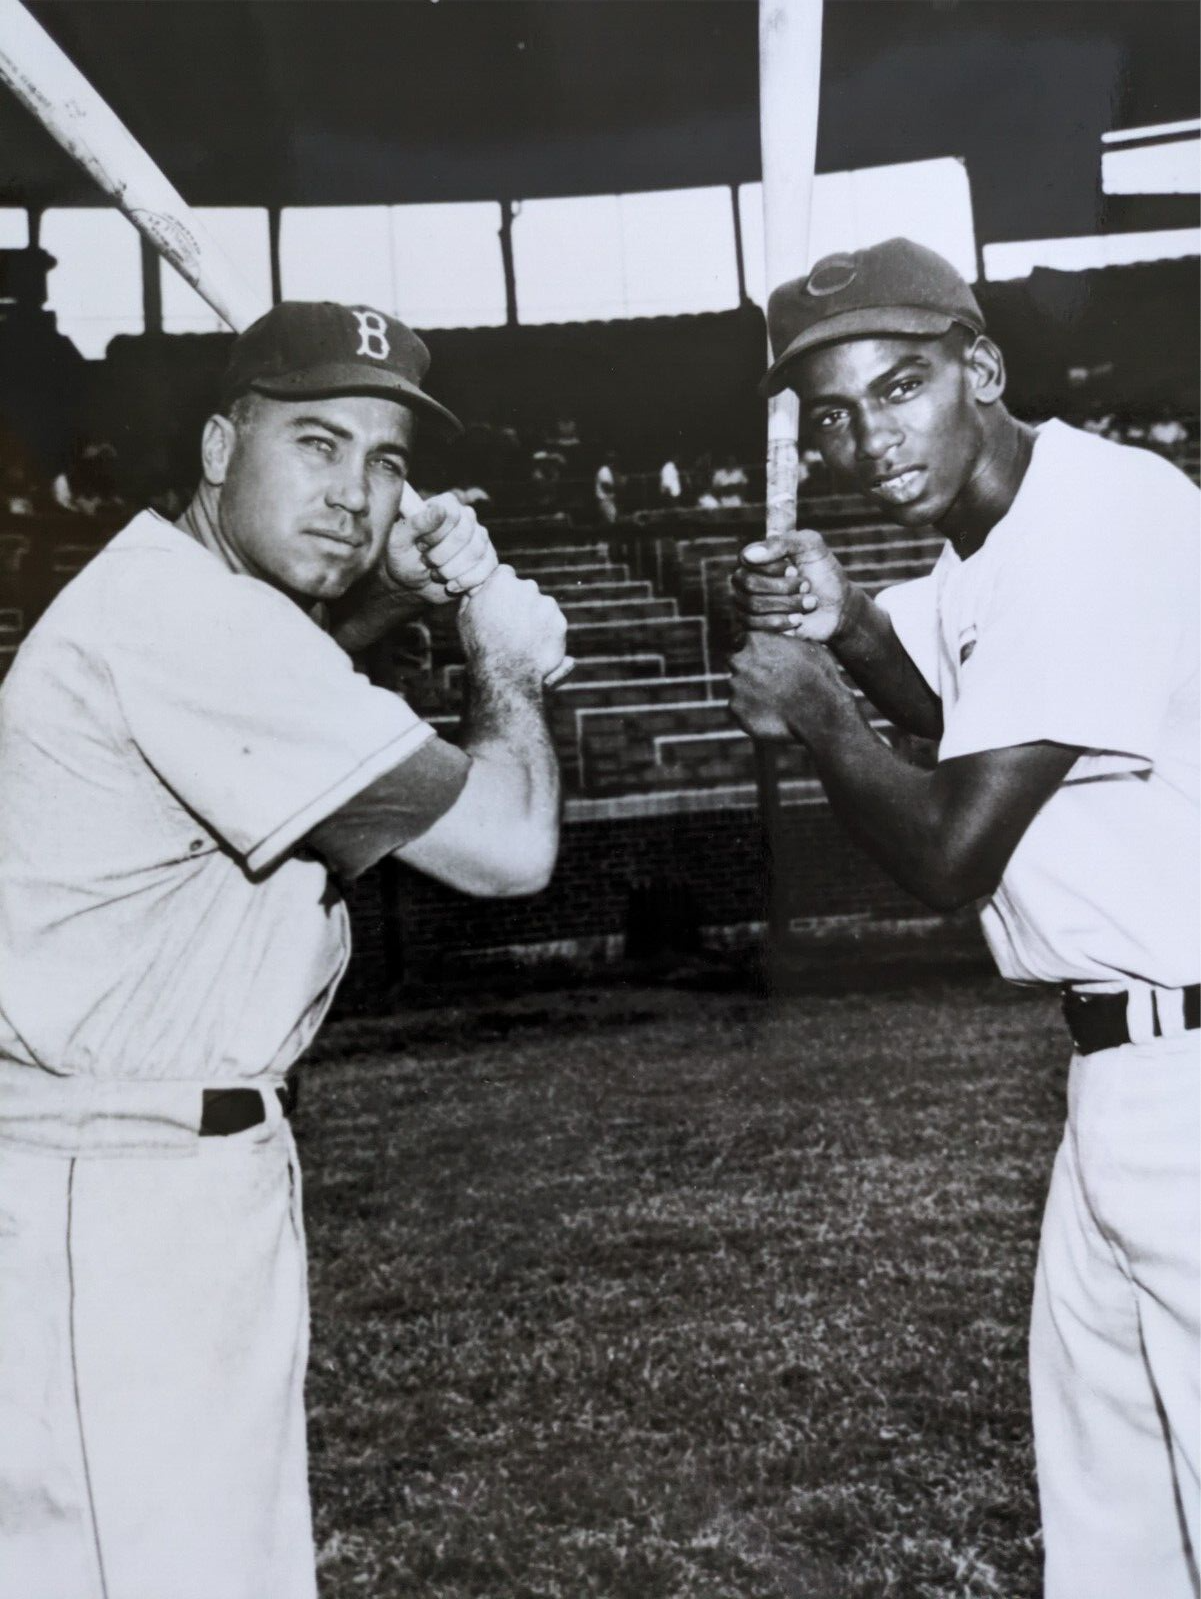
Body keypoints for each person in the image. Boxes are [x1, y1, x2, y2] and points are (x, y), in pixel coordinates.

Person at [0, 299, 568, 1599]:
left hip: (143, 1176)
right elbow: (513, 844)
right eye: (315, 443)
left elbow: (265, 701)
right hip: (118, 1201)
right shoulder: (190, 625)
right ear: (215, 447)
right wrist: (507, 657)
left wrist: (381, 606)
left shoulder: (178, 599)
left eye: (386, 462)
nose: (356, 495)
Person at [729, 238, 1199, 1599]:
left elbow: (951, 844)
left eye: (900, 386)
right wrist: (859, 630)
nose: (866, 438)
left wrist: (820, 704)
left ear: (981, 367)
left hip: (1188, 1077)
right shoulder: (1000, 543)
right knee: (1118, 1534)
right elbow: (973, 715)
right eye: (831, 411)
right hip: (1121, 1080)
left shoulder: (1100, 515)